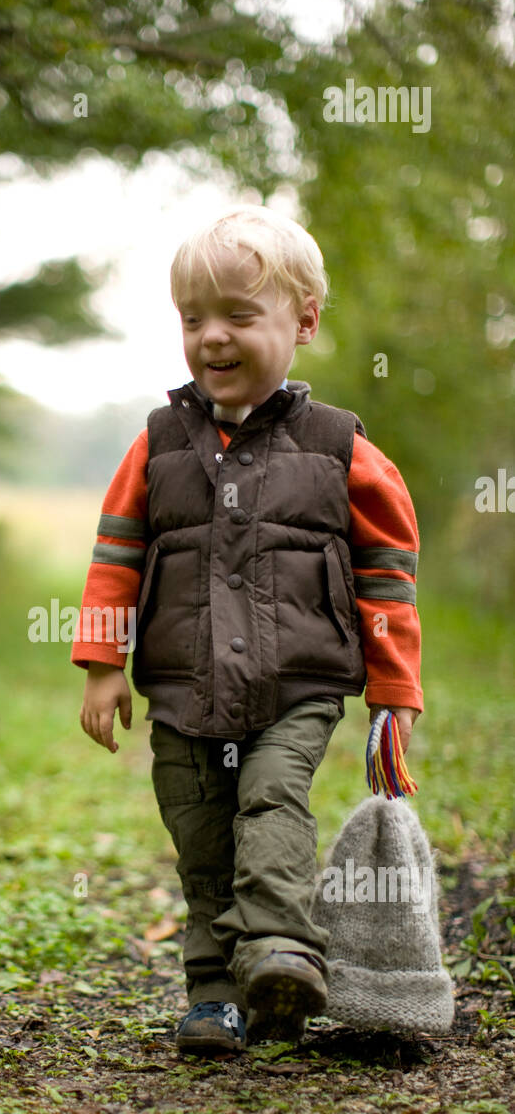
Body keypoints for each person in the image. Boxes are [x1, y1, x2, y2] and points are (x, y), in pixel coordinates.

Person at [72, 204, 423, 1055]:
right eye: (194, 319)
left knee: (270, 798)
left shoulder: (340, 448)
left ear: (302, 322)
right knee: (200, 835)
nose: (211, 338)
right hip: (184, 687)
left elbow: (387, 576)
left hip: (295, 683)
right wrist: (101, 662)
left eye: (238, 315)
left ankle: (284, 952)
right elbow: (116, 551)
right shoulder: (158, 443)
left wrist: (394, 688)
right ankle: (215, 994)